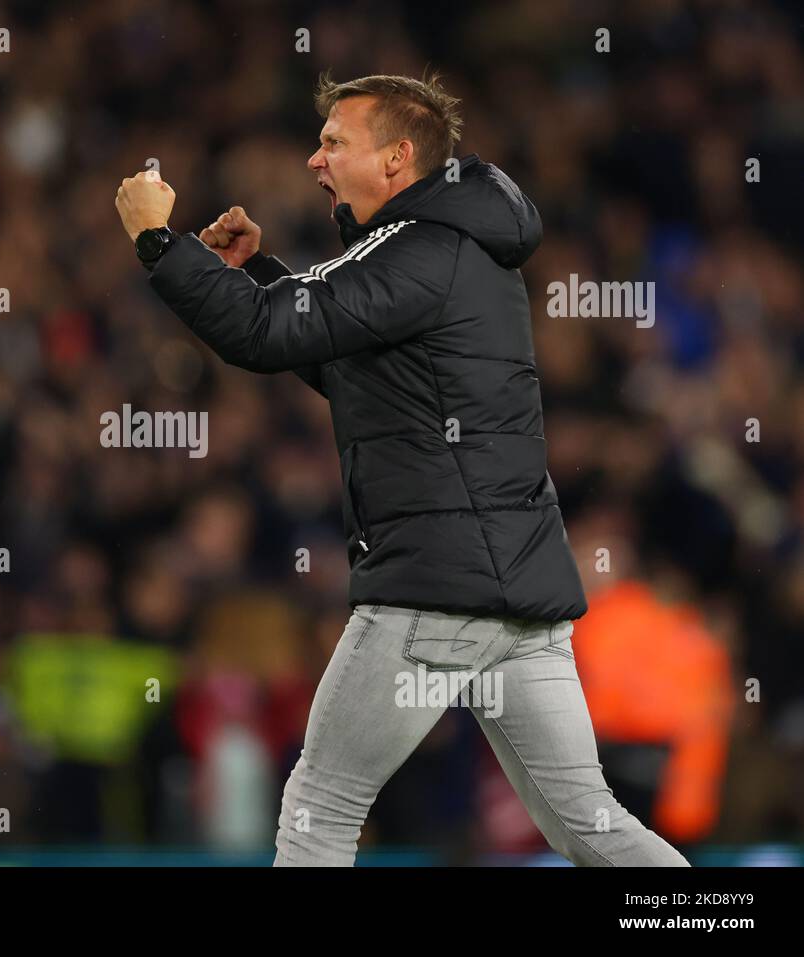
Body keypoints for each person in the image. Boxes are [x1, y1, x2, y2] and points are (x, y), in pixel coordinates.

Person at [115, 71, 689, 866]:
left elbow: (262, 334)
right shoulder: (456, 244)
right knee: (590, 824)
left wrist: (157, 241)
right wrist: (251, 271)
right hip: (516, 600)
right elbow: (353, 363)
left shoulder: (415, 246)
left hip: (432, 593)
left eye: (334, 142)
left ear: (397, 159)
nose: (316, 160)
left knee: (319, 808)